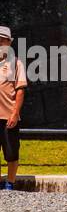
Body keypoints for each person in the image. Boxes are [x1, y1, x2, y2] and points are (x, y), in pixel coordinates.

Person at [0, 27, 26, 192]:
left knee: (11, 152)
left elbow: (20, 90)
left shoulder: (15, 63)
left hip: (8, 115)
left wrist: (15, 113)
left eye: (3, 40)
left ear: (9, 42)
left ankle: (10, 182)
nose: (0, 43)